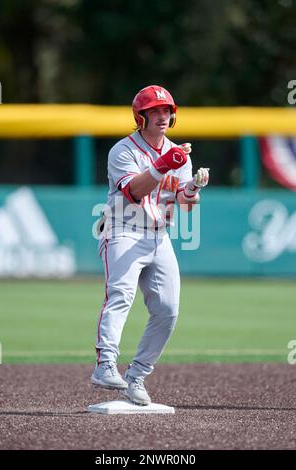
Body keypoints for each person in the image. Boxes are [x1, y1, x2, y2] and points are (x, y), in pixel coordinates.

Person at [91, 85, 209, 405]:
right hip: (123, 229)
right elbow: (133, 192)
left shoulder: (177, 153)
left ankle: (137, 375)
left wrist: (194, 188)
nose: (162, 116)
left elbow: (183, 202)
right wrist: (163, 165)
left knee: (168, 310)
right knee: (120, 294)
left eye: (166, 110)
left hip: (159, 234)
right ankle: (105, 365)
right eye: (154, 111)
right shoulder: (123, 151)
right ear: (140, 117)